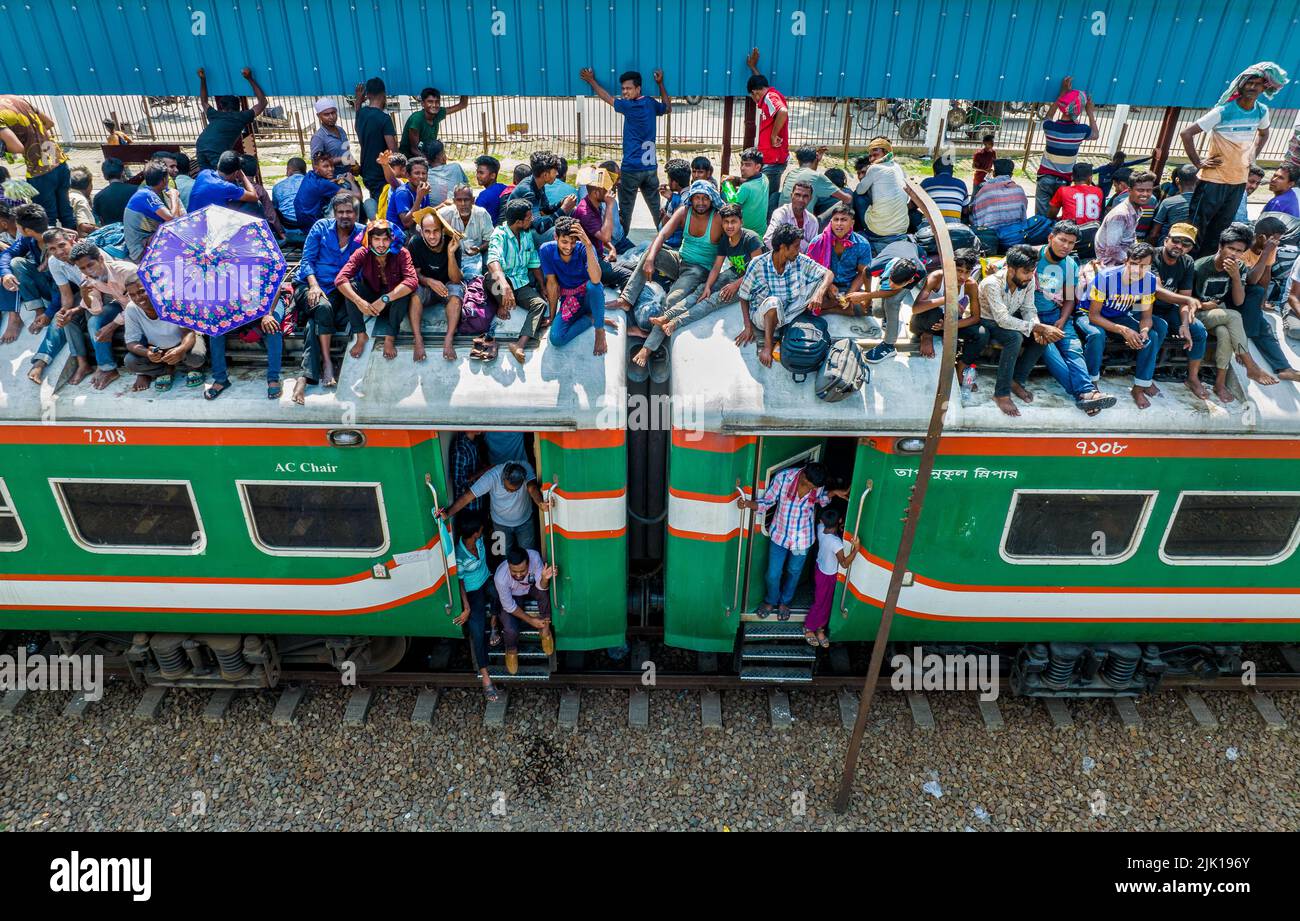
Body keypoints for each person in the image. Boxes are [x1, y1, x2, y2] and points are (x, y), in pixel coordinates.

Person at [634, 202, 762, 367]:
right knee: (701, 292)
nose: (730, 226)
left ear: (741, 222)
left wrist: (735, 286)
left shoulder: (751, 239)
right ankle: (666, 316)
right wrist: (708, 285)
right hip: (734, 273)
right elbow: (716, 267)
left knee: (714, 300)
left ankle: (675, 322)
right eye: (726, 222)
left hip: (752, 281)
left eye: (733, 222)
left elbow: (756, 270)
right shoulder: (726, 240)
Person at [1181, 62, 1288, 257]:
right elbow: (1186, 133)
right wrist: (1198, 163)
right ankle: (1188, 269)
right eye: (1249, 83)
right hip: (1213, 180)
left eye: (1258, 84)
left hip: (1238, 181)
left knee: (1220, 231)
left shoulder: (1261, 111)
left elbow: (1264, 134)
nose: (1253, 87)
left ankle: (1206, 266)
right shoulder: (1223, 111)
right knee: (1196, 228)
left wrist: (1253, 156)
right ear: (1241, 85)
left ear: (1265, 87)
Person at [1020, 221, 1118, 414]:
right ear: (1051, 238)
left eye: (1071, 243)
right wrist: (1039, 326)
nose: (1066, 246)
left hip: (1056, 316)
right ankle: (1085, 394)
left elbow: (1069, 299)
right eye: (1062, 240)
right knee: (1051, 354)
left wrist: (1062, 320)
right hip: (1031, 318)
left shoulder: (1071, 264)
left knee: (1073, 350)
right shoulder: (1031, 256)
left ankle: (1087, 394)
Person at [736, 462, 847, 620]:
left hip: (802, 539)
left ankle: (785, 603)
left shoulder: (816, 486)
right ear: (804, 477)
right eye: (811, 486)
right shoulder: (783, 478)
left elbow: (821, 499)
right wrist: (747, 504)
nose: (813, 490)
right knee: (773, 574)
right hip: (779, 537)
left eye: (815, 488)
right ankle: (771, 600)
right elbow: (767, 502)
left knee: (794, 572)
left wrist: (833, 493)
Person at [614, 180, 724, 331]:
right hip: (680, 259)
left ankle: (650, 332)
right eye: (697, 198)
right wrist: (651, 259)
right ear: (691, 198)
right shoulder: (685, 211)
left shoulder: (718, 218)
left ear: (711, 199)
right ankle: (626, 300)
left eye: (705, 198)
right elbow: (663, 234)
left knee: (671, 300)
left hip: (698, 270)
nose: (701, 202)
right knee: (650, 252)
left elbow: (734, 238)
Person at [579, 66, 670, 237]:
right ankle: (666, 239)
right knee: (656, 209)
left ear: (638, 88)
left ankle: (620, 241)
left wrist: (591, 80)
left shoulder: (628, 106)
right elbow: (667, 107)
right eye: (623, 89)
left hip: (631, 169)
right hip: (650, 168)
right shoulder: (650, 103)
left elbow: (606, 97)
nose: (625, 92)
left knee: (625, 211)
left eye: (628, 88)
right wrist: (661, 84)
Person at [1191, 223, 1280, 398]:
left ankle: (1219, 385)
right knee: (1233, 316)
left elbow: (1239, 301)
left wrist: (1236, 277)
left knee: (1224, 333)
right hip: (1197, 313)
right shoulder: (1201, 267)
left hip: (1218, 314)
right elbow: (1183, 299)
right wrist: (1201, 304)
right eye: (1230, 248)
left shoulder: (1238, 268)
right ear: (1220, 246)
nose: (1234, 254)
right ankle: (1250, 366)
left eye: (1239, 251)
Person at [977, 243, 1063, 417]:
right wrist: (1037, 327)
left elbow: (1028, 309)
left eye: (1032, 271)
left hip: (1010, 319)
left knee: (1042, 337)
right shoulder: (991, 284)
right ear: (1010, 269)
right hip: (989, 321)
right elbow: (1001, 319)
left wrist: (1037, 328)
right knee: (1015, 338)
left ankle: (1016, 381)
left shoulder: (1028, 280)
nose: (1030, 276)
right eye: (1025, 272)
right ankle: (1000, 394)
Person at [292, 193, 364, 403]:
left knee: (318, 319)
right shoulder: (321, 227)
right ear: (334, 213)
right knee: (323, 309)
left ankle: (304, 376)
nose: (344, 216)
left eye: (349, 212)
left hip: (336, 290)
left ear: (356, 214)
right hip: (309, 284)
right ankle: (327, 363)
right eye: (340, 212)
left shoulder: (362, 234)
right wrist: (313, 285)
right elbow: (306, 261)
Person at [1081, 242, 1169, 408]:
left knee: (1152, 336)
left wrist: (1143, 331)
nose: (1137, 270)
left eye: (1144, 266)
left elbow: (1146, 317)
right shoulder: (1107, 277)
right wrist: (1123, 330)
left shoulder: (1149, 281)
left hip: (1118, 315)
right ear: (1126, 261)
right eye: (1134, 264)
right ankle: (1091, 381)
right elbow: (1094, 316)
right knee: (1097, 334)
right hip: (1088, 314)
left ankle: (1140, 386)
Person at [736, 223, 833, 368]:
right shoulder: (757, 264)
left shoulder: (798, 259)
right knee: (773, 302)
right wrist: (748, 326)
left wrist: (819, 293)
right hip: (764, 318)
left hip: (789, 310)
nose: (798, 250)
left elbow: (828, 273)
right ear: (782, 247)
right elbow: (743, 296)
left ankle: (836, 306)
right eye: (795, 246)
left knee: (821, 283)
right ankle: (768, 346)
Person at [335, 220, 417, 362]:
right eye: (376, 239)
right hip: (371, 298)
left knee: (404, 293)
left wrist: (385, 299)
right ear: (370, 240)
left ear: (392, 239)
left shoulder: (402, 253)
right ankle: (361, 335)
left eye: (385, 239)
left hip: (392, 301)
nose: (381, 244)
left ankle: (390, 337)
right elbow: (340, 279)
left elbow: (412, 281)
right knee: (351, 287)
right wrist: (359, 302)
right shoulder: (362, 252)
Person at [909, 248, 988, 391]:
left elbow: (975, 317)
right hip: (925, 321)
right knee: (934, 311)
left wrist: (950, 325)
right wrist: (946, 300)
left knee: (981, 333)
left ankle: (961, 368)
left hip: (949, 323)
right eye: (959, 270)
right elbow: (916, 309)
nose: (962, 276)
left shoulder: (970, 285)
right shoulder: (937, 277)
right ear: (949, 267)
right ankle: (926, 336)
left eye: (967, 272)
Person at [1150, 223, 1212, 399]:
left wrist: (1184, 324)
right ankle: (1146, 376)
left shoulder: (1187, 262)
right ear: (1166, 239)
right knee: (1159, 329)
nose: (1179, 246)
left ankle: (1192, 378)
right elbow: (1157, 291)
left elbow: (1185, 296)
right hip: (1143, 306)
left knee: (1198, 331)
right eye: (1176, 241)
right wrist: (1187, 300)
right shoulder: (1152, 255)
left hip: (1169, 307)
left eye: (1186, 244)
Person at [486, 198, 550, 364]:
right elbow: (493, 260)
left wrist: (542, 286)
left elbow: (534, 262)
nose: (532, 219)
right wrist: (505, 286)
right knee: (491, 277)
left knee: (540, 305)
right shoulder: (499, 235)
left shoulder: (527, 234)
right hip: (502, 281)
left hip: (521, 283)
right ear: (518, 222)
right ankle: (500, 303)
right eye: (529, 218)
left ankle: (519, 344)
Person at [439, 460, 549, 555]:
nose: (510, 492)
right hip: (500, 524)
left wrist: (540, 503)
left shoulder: (525, 467)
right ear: (503, 477)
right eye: (508, 488)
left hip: (525, 522)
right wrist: (448, 513)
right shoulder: (492, 476)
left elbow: (532, 488)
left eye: (514, 490)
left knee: (529, 554)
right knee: (503, 555)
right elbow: (468, 496)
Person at [1238, 217, 1300, 381]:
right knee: (1259, 312)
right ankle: (1242, 347)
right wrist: (1265, 252)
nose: (1277, 244)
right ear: (1261, 237)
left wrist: (1262, 304)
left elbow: (1265, 277)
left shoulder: (1270, 249)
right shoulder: (1242, 250)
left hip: (1251, 297)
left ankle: (1283, 368)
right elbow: (1251, 280)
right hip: (1233, 294)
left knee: (1263, 323)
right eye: (1275, 239)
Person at [69, 241, 136, 389]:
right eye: (82, 268)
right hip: (121, 304)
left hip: (139, 307)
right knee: (94, 322)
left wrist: (112, 326)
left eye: (90, 265)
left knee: (109, 324)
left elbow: (138, 305)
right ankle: (108, 368)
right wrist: (85, 296)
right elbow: (97, 309)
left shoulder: (127, 271)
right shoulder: (87, 277)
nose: (87, 271)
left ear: (100, 259)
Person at [28, 228, 91, 385]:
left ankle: (104, 366)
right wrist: (64, 311)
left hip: (103, 293)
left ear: (71, 240)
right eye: (52, 249)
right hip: (83, 295)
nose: (59, 251)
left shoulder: (86, 251)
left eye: (61, 245)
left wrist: (76, 309)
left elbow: (100, 287)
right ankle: (79, 365)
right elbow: (66, 295)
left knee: (90, 319)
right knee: (62, 317)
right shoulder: (53, 261)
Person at [121, 276, 206, 392]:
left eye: (141, 292)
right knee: (130, 361)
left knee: (196, 358)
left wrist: (180, 349)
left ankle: (191, 367)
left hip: (183, 344)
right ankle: (166, 369)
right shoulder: (131, 309)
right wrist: (147, 353)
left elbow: (189, 333)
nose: (138, 298)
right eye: (132, 295)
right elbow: (131, 342)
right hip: (159, 350)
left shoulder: (172, 301)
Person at [0, 95, 73, 229]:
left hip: (39, 171)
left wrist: (4, 149)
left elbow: (17, 147)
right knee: (66, 213)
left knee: (45, 219)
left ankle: (49, 248)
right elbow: (49, 123)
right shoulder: (16, 99)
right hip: (57, 159)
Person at [206, 282, 287, 401]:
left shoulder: (266, 262)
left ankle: (273, 378)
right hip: (240, 300)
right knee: (216, 328)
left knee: (272, 327)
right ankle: (221, 379)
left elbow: (277, 286)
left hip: (270, 300)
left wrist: (268, 313)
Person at [541, 217, 610, 355]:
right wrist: (552, 316)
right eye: (564, 242)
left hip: (590, 298)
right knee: (556, 338)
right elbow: (552, 285)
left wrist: (588, 244)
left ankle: (599, 330)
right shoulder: (546, 250)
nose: (568, 247)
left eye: (573, 242)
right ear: (556, 237)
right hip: (570, 301)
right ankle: (591, 318)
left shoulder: (584, 248)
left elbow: (596, 279)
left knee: (594, 286)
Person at [451, 512, 500, 700]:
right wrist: (467, 608)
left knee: (499, 593)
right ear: (475, 534)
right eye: (480, 529)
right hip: (472, 590)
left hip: (486, 578)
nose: (482, 531)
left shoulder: (479, 542)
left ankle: (494, 626)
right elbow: (461, 582)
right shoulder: (460, 554)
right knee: (477, 631)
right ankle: (485, 676)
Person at [847, 248, 926, 362]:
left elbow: (894, 291)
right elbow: (865, 272)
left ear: (910, 281)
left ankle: (889, 346)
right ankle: (890, 317)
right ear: (892, 270)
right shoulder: (878, 265)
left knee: (892, 302)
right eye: (890, 279)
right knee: (878, 311)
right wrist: (867, 297)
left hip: (913, 259)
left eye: (896, 283)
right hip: (894, 253)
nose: (891, 284)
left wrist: (865, 297)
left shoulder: (919, 272)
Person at [1036, 77, 1099, 215]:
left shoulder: (1050, 127)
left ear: (1061, 107)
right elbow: (1095, 135)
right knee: (1053, 214)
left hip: (1045, 176)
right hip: (1064, 180)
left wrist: (1061, 94)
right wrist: (1090, 112)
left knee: (1040, 216)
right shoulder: (1081, 130)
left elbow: (1047, 117)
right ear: (1079, 110)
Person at [407, 208, 464, 362]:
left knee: (457, 294)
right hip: (426, 285)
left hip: (447, 285)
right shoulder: (415, 243)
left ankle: (449, 338)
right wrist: (429, 281)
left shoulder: (452, 242)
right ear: (422, 231)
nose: (432, 236)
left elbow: (456, 279)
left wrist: (451, 254)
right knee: (414, 295)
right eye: (427, 231)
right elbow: (414, 274)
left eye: (436, 231)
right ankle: (417, 339)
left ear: (442, 230)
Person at [490, 547, 556, 676]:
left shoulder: (534, 557)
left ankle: (545, 629)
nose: (519, 575)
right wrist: (531, 620)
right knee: (510, 628)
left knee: (544, 594)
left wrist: (544, 579)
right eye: (514, 571)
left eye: (522, 571)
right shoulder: (500, 577)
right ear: (508, 565)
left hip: (531, 587)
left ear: (528, 563)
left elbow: (540, 586)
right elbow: (509, 606)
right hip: (513, 595)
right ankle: (511, 650)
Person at [194, 67, 267, 172]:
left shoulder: (215, 114)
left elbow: (204, 101)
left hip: (201, 145)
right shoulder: (241, 117)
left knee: (206, 175)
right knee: (223, 175)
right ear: (239, 107)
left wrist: (203, 79)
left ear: (222, 108)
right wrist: (249, 78)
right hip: (216, 149)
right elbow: (262, 103)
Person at [744, 48, 789, 218]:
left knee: (767, 199)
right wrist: (753, 68)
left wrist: (773, 134)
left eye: (753, 96)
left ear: (756, 93)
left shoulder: (769, 98)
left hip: (773, 158)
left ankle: (768, 227)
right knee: (765, 195)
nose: (755, 101)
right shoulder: (768, 95)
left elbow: (782, 111)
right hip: (771, 158)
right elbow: (761, 84)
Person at [806, 507, 858, 648]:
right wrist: (856, 549)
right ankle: (810, 627)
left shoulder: (820, 528)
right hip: (828, 575)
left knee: (822, 601)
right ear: (840, 521)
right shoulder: (836, 543)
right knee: (823, 603)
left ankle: (818, 628)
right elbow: (844, 563)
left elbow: (821, 523)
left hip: (819, 568)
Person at [506, 150, 576, 244]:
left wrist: (560, 203)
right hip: (520, 235)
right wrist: (563, 209)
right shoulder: (528, 192)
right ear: (545, 175)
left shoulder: (538, 183)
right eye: (555, 171)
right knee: (557, 233)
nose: (557, 174)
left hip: (530, 229)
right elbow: (540, 226)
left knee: (573, 211)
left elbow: (546, 209)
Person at [809, 204, 872, 302]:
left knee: (865, 307)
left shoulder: (862, 244)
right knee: (811, 302)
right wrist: (828, 285)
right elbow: (811, 270)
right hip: (822, 285)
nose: (839, 223)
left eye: (843, 220)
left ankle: (833, 307)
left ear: (852, 223)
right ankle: (835, 307)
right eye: (836, 219)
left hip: (849, 286)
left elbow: (862, 273)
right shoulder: (817, 242)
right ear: (831, 222)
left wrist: (849, 295)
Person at [855, 137, 910, 246]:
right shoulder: (898, 167)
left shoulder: (874, 168)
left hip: (878, 231)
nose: (871, 159)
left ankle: (864, 231)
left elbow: (860, 190)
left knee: (857, 196)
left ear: (886, 153)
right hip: (901, 228)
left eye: (875, 155)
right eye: (870, 156)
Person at [121, 161, 182, 260]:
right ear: (163, 180)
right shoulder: (146, 195)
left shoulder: (148, 192)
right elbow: (173, 221)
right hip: (140, 251)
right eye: (167, 177)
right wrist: (174, 197)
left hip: (145, 241)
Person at [1095, 169, 1156, 266]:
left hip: (1124, 259)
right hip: (1110, 265)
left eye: (1149, 190)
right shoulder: (1120, 214)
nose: (1145, 194)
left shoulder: (1136, 210)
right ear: (1129, 191)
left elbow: (1130, 237)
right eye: (1140, 190)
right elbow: (1112, 249)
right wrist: (1134, 262)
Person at [353, 77, 399, 203]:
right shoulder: (384, 119)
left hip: (367, 171)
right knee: (384, 206)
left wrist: (358, 101)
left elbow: (357, 123)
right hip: (381, 174)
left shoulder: (361, 114)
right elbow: (393, 151)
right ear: (384, 95)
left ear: (367, 95)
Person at [970, 158, 1029, 253]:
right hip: (1014, 238)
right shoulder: (1019, 190)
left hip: (990, 239)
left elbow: (975, 217)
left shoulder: (984, 190)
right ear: (1011, 175)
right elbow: (1023, 217)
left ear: (994, 174)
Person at [438, 183, 493, 278]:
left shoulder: (482, 214)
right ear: (454, 201)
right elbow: (421, 225)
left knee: (474, 282)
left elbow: (490, 239)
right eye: (459, 200)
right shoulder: (446, 213)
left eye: (466, 200)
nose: (463, 204)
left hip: (474, 261)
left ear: (473, 200)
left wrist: (479, 248)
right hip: (450, 259)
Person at [291, 150, 356, 230]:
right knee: (351, 200)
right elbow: (358, 195)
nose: (331, 169)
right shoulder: (323, 184)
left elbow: (320, 187)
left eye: (332, 166)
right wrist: (351, 181)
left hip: (303, 222)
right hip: (314, 225)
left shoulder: (309, 175)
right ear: (316, 167)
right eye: (325, 166)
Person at [778, 145, 851, 213]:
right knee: (848, 195)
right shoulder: (817, 177)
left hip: (783, 221)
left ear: (798, 160)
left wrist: (816, 161)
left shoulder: (791, 173)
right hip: (804, 223)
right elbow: (847, 199)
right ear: (815, 159)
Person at [401, 87, 469, 158]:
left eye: (437, 102)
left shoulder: (439, 112)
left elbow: (463, 105)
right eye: (430, 102)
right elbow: (414, 150)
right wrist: (432, 162)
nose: (434, 105)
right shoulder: (417, 119)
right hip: (410, 157)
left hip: (426, 153)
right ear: (422, 104)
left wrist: (462, 85)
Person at [187, 150, 259, 213]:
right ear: (235, 173)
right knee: (255, 204)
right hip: (206, 225)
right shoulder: (227, 187)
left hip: (191, 219)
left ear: (219, 164)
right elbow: (254, 196)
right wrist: (243, 176)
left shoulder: (204, 173)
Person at [722, 147, 770, 235]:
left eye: (747, 165)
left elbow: (731, 207)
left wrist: (726, 186)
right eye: (741, 164)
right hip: (762, 232)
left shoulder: (746, 187)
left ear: (758, 167)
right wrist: (736, 178)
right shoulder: (764, 178)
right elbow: (749, 182)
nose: (742, 168)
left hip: (745, 233)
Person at [1147, 163, 1199, 245]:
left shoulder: (1168, 202)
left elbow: (1154, 234)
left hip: (1170, 245)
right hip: (1195, 245)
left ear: (1177, 180)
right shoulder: (1205, 202)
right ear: (1198, 180)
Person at [764, 179, 819, 252]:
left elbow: (813, 249)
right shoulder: (781, 214)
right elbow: (769, 239)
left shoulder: (813, 221)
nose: (801, 200)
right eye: (797, 195)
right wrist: (789, 254)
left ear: (810, 199)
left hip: (803, 261)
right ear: (791, 196)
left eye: (805, 196)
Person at [386, 155, 435, 231]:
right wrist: (419, 197)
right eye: (417, 173)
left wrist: (442, 206)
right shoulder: (402, 193)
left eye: (424, 173)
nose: (421, 176)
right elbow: (407, 223)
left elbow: (426, 213)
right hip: (397, 233)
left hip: (412, 229)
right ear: (408, 176)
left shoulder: (423, 188)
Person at [919, 153, 969, 224]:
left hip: (930, 228)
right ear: (952, 171)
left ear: (935, 172)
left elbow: (912, 206)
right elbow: (965, 211)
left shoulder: (926, 183)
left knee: (912, 213)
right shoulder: (961, 184)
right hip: (954, 228)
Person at [310, 98, 353, 177]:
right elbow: (316, 165)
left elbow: (346, 152)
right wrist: (341, 159)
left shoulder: (341, 130)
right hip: (332, 179)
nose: (331, 117)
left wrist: (352, 164)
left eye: (333, 113)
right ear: (319, 116)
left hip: (348, 175)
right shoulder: (318, 137)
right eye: (326, 114)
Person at [656, 159, 692, 249]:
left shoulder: (677, 200)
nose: (668, 183)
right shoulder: (691, 193)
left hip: (673, 245)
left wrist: (671, 201)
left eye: (669, 179)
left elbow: (664, 225)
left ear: (675, 182)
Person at [423, 139, 469, 204]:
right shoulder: (456, 167)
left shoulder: (423, 175)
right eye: (443, 152)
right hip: (459, 207)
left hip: (436, 211)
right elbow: (467, 186)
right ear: (440, 155)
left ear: (425, 157)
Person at [93, 158, 135, 226]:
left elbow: (98, 220)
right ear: (122, 172)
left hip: (112, 234)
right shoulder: (136, 190)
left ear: (105, 176)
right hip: (134, 232)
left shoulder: (98, 197)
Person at [272, 158, 307, 229]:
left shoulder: (278, 186)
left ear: (289, 169)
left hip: (288, 222)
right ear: (305, 170)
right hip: (309, 221)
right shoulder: (312, 183)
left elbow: (275, 207)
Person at [474, 155, 508, 224]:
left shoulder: (484, 195)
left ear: (493, 175)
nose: (478, 176)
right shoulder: (504, 188)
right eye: (477, 172)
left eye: (481, 173)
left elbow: (474, 218)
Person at [67, 168, 97, 235]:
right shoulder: (80, 199)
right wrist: (104, 231)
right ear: (89, 185)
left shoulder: (66, 196)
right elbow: (84, 226)